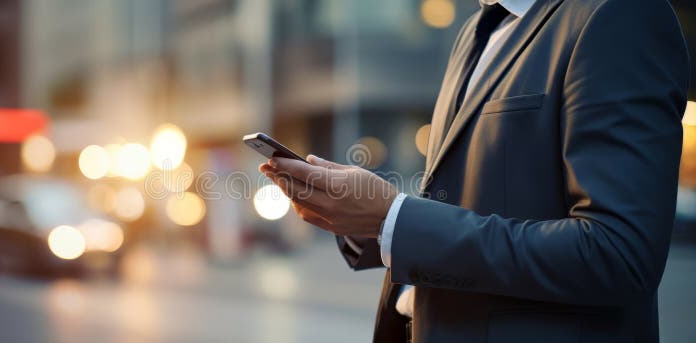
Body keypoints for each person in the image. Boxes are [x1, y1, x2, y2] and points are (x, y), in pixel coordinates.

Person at [259, 0, 691, 341]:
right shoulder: (475, 31)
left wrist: (394, 218)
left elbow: (618, 254)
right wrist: (373, 225)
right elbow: (472, 204)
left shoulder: (619, 15)